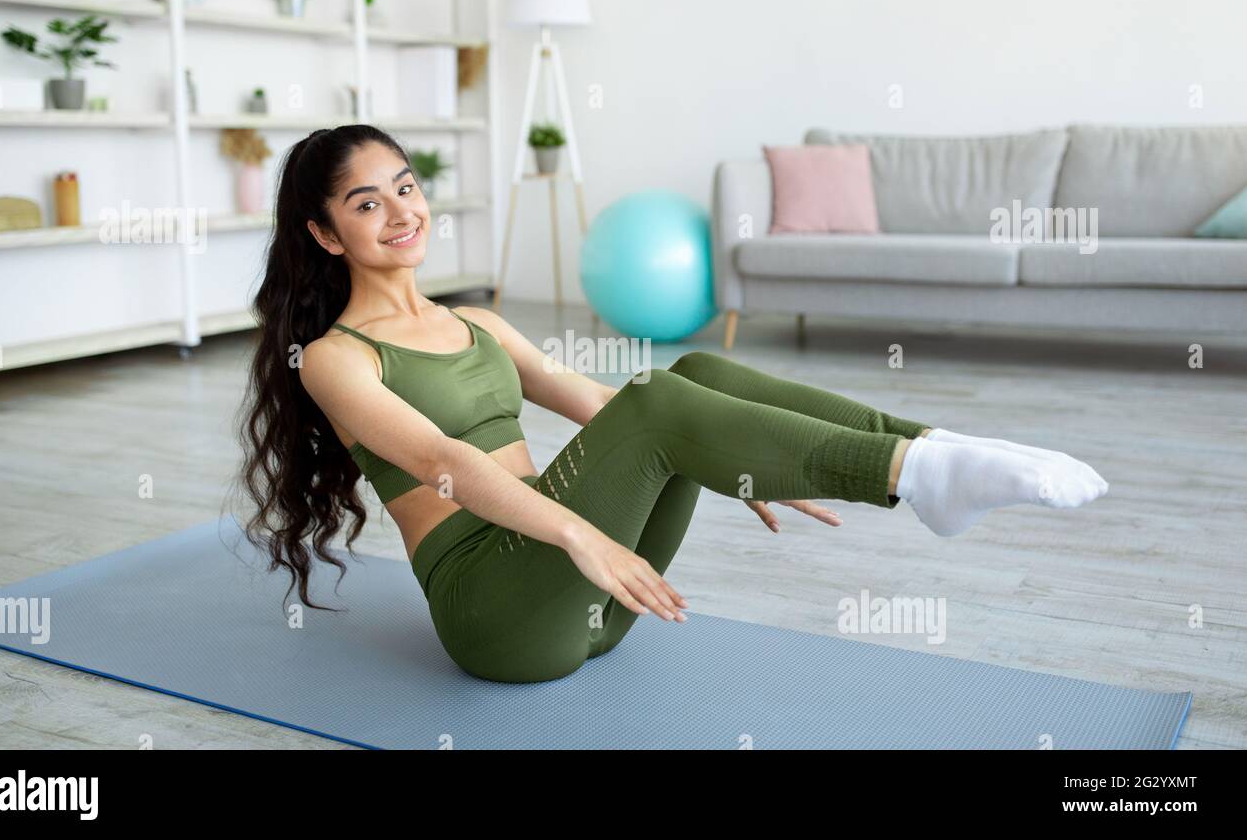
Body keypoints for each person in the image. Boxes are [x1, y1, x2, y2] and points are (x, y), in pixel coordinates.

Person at [237, 124, 1108, 684]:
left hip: (597, 604)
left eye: (407, 186)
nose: (400, 210)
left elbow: (599, 402)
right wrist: (578, 531)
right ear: (324, 233)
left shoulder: (476, 322)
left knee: (692, 376)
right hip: (500, 614)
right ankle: (917, 471)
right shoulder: (334, 358)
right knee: (664, 398)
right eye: (366, 201)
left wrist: (742, 447)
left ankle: (925, 452)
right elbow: (445, 464)